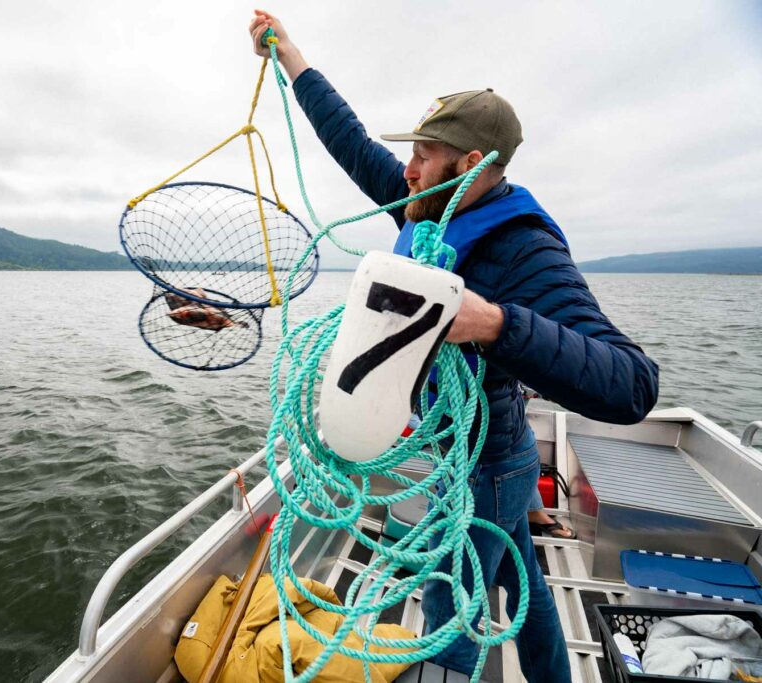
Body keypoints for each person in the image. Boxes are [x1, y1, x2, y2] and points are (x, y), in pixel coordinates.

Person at [248, 10, 659, 682]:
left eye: (424, 155)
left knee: (447, 617)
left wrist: (495, 322)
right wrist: (291, 56)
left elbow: (634, 384)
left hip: (487, 464)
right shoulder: (429, 205)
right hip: (469, 455)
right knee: (524, 581)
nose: (407, 170)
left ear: (472, 165)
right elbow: (350, 141)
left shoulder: (520, 249)